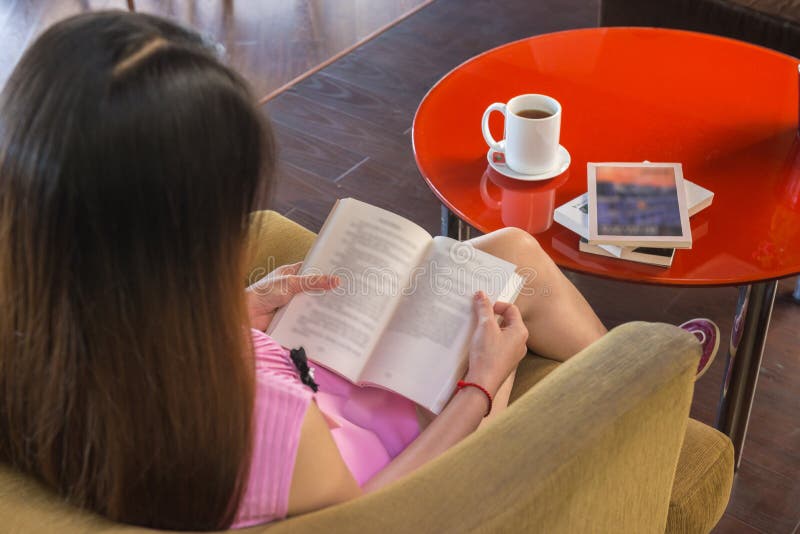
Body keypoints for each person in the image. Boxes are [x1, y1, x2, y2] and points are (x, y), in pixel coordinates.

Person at [0, 11, 719, 532]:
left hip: (299, 378)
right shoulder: (253, 426)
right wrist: (480, 385)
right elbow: (378, 516)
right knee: (512, 285)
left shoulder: (36, 339)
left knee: (511, 254)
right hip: (391, 438)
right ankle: (647, 394)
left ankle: (642, 386)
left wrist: (239, 309)